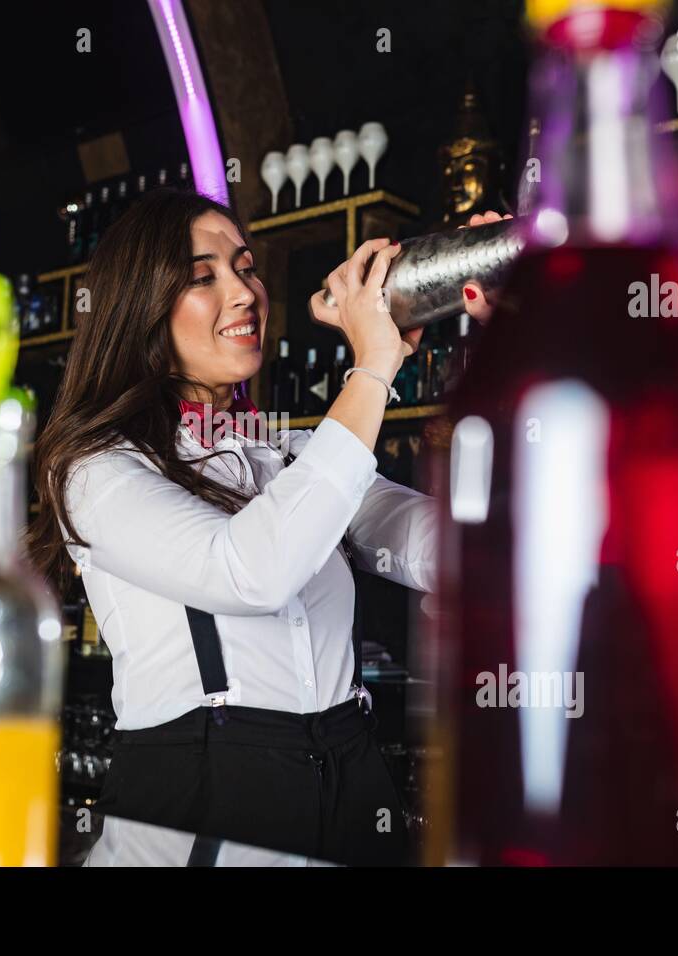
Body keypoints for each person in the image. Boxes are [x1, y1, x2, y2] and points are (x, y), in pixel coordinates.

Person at [29, 187, 500, 865]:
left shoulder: (293, 453)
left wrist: (513, 342)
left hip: (352, 796)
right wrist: (372, 367)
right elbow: (250, 572)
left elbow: (455, 549)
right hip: (202, 818)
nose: (245, 291)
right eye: (203, 276)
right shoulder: (97, 471)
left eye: (246, 267)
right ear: (142, 311)